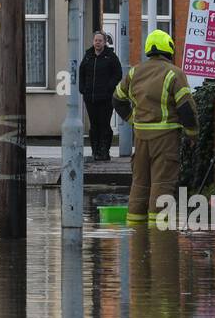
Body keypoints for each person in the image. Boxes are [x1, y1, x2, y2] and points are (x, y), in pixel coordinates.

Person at [113, 29, 199, 223]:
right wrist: (192, 134)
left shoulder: (135, 72)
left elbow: (117, 100)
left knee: (140, 184)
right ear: (169, 49)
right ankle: (160, 239)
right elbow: (186, 108)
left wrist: (134, 120)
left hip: (141, 137)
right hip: (166, 138)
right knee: (162, 184)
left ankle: (137, 237)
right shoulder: (174, 73)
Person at [79, 30, 122, 162]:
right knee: (94, 125)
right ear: (93, 42)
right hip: (90, 98)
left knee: (104, 124)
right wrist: (83, 89)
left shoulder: (111, 57)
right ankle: (95, 151)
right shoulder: (88, 56)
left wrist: (110, 87)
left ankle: (104, 151)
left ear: (105, 42)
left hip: (106, 98)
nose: (97, 43)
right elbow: (81, 73)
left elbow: (118, 74)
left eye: (100, 41)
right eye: (96, 40)